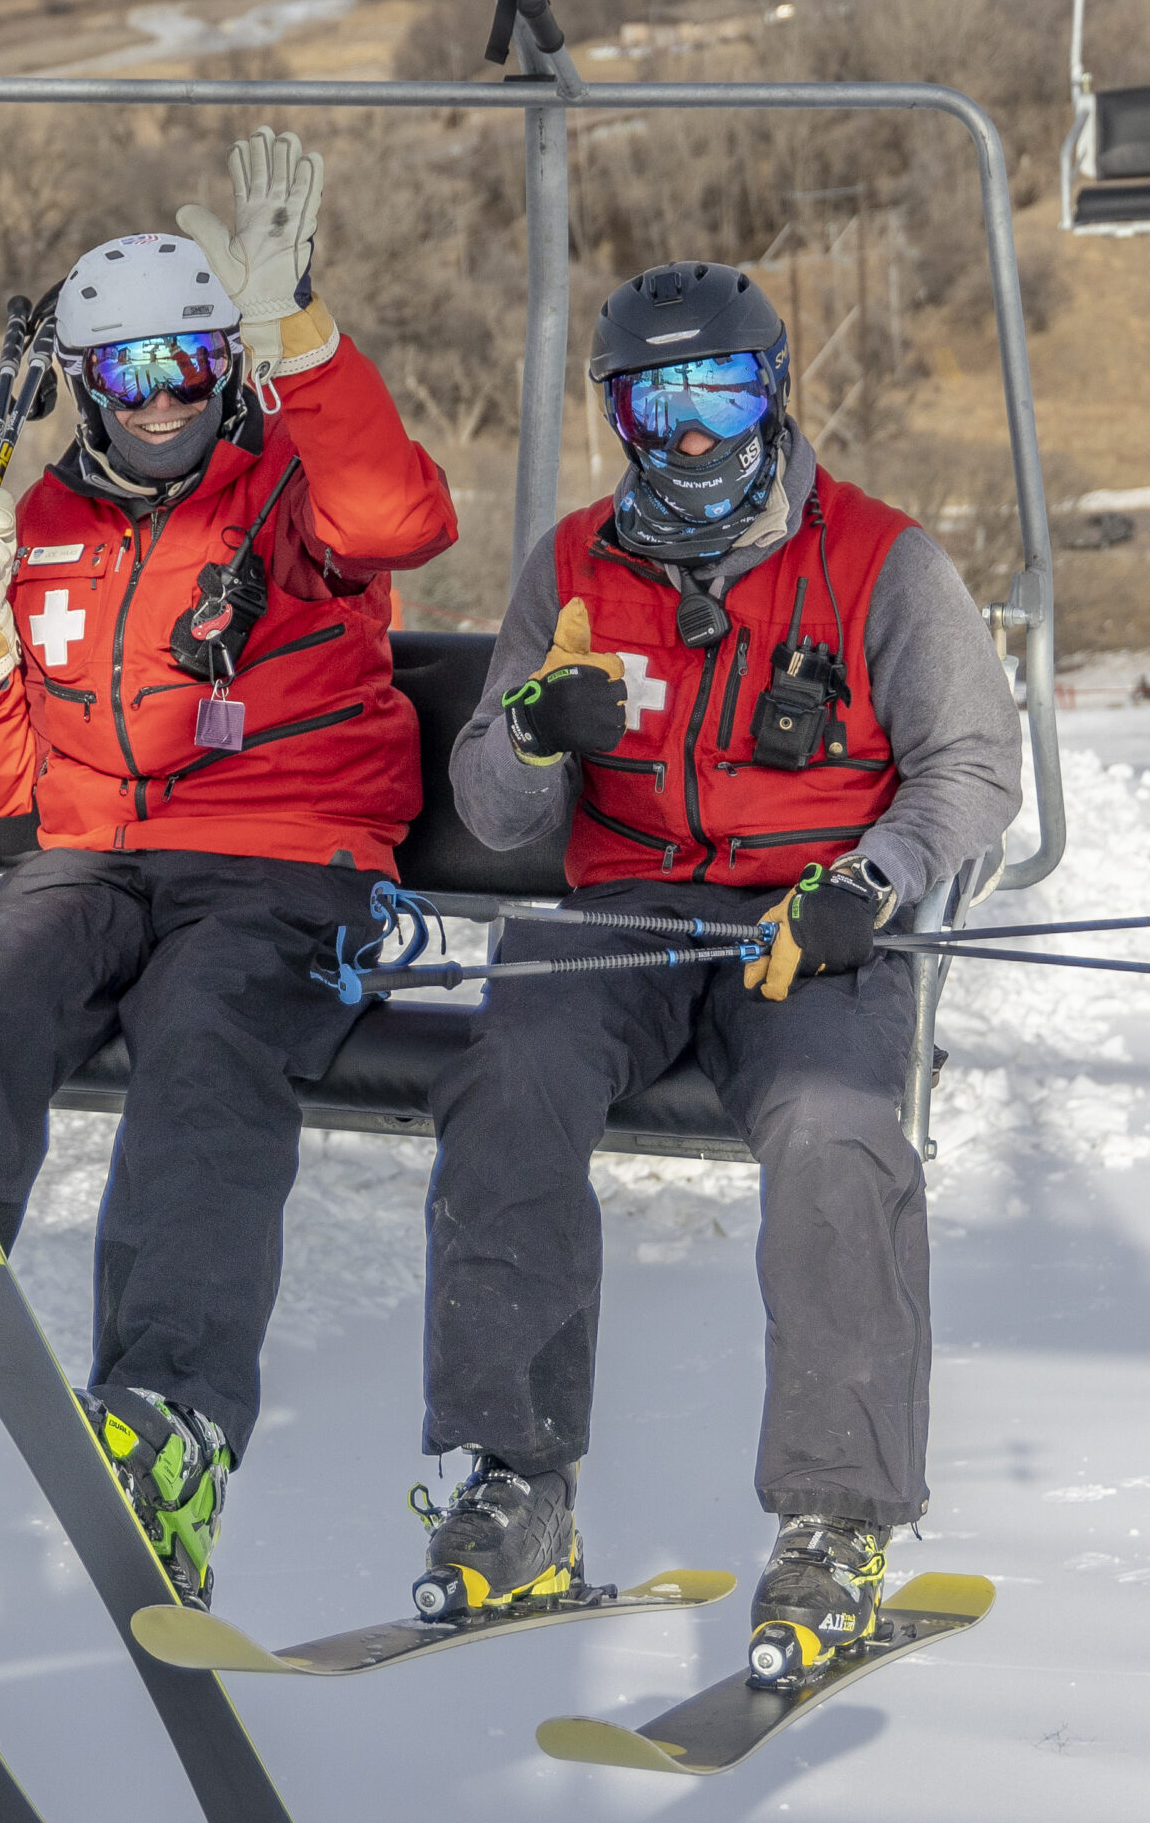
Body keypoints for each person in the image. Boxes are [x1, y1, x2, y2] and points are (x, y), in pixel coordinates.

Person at [0, 130, 457, 1612]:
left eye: (194, 366)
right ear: (84, 381)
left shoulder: (289, 492)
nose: (165, 405)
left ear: (229, 366)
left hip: (279, 863)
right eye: (129, 376)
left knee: (207, 1055)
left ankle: (168, 1417)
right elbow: (0, 789)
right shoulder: (41, 525)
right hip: (90, 866)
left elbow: (403, 515)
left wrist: (304, 338)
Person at [416, 260, 1021, 1687]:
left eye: (722, 391)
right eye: (657, 398)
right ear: (619, 415)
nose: (693, 433)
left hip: (807, 923)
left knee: (835, 1130)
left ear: (774, 391)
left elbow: (974, 770)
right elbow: (494, 814)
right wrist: (530, 732)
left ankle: (836, 1516)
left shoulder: (883, 560)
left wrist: (871, 882)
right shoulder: (571, 568)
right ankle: (516, 1482)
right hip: (627, 911)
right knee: (507, 1081)